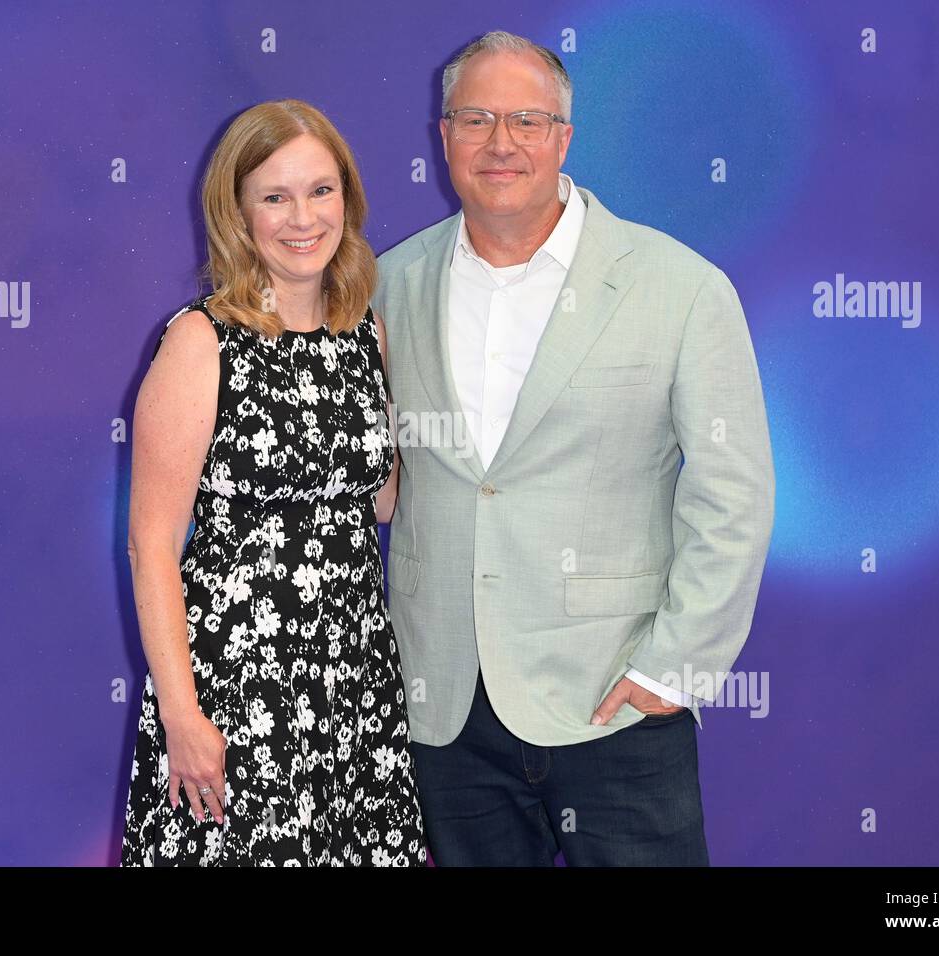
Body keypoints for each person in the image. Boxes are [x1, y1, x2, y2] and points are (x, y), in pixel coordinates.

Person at [371, 31, 776, 865]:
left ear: (564, 137)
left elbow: (734, 494)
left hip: (614, 701)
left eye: (527, 119)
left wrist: (676, 670)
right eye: (475, 118)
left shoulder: (682, 287)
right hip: (443, 707)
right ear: (442, 135)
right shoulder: (387, 284)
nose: (501, 142)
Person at [120, 99, 426, 866]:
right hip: (235, 689)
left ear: (348, 200)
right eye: (275, 196)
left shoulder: (366, 333)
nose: (303, 217)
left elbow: (383, 498)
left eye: (321, 191)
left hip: (354, 681)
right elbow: (151, 544)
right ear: (238, 211)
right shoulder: (201, 340)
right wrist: (184, 718)